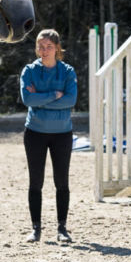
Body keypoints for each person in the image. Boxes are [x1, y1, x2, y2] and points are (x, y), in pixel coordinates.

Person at [19, 29, 78, 243]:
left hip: (62, 133)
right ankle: (36, 228)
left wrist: (41, 98)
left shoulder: (68, 72)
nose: (44, 51)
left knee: (61, 181)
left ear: (57, 48)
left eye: (49, 47)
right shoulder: (29, 71)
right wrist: (54, 95)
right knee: (36, 181)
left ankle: (62, 228)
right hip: (35, 132)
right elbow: (27, 99)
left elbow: (70, 100)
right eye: (41, 47)